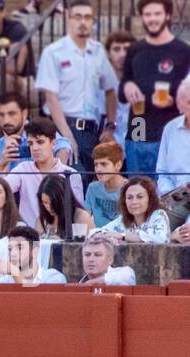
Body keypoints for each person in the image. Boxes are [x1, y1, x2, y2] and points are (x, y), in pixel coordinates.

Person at [35, 0, 118, 175]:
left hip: (93, 131)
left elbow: (111, 89)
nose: (83, 22)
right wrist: (67, 137)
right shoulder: (53, 52)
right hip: (64, 126)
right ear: (68, 19)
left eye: (88, 17)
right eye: (78, 17)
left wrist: (111, 126)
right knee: (70, 181)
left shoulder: (98, 51)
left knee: (90, 181)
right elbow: (51, 98)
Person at [118, 0, 190, 175]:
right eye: (148, 14)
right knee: (137, 190)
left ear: (167, 16)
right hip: (138, 128)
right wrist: (127, 86)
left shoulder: (183, 50)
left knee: (168, 194)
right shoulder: (135, 49)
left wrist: (174, 101)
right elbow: (122, 90)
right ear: (142, 17)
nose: (152, 19)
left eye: (157, 14)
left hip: (169, 132)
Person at [5, 119, 85, 229]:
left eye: (40, 142)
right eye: (30, 143)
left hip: (61, 236)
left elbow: (76, 212)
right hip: (28, 237)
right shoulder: (23, 168)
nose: (35, 148)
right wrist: (1, 165)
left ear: (53, 143)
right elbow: (1, 190)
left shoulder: (71, 174)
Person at [0, 90, 70, 174]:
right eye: (1, 115)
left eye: (12, 114)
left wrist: (55, 174)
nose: (6, 120)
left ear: (24, 113)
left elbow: (63, 145)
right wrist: (3, 164)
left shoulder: (39, 129)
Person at [90, 175, 170, 243]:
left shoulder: (158, 215)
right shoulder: (122, 219)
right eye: (130, 197)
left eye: (140, 197)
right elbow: (95, 232)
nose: (134, 202)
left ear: (150, 199)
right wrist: (107, 238)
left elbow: (160, 238)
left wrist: (122, 236)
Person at [155, 79, 190, 229]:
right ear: (179, 106)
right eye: (189, 102)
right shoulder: (170, 129)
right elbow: (162, 172)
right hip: (178, 198)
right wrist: (170, 195)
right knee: (156, 223)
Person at [0, 226, 67, 284]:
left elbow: (35, 301)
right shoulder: (5, 280)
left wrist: (16, 273)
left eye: (19, 247)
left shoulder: (54, 277)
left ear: (35, 251)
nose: (13, 253)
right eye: (10, 249)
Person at [36, 173, 93, 238]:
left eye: (53, 202)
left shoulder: (82, 217)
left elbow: (91, 246)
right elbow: (36, 246)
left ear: (63, 199)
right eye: (45, 202)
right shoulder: (42, 221)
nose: (50, 207)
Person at [104, 30, 134, 151]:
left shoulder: (140, 83)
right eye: (116, 49)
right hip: (106, 147)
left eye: (126, 49)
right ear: (108, 53)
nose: (122, 54)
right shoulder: (100, 84)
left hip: (133, 147)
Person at [85, 140, 125, 227]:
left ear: (118, 165)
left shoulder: (129, 188)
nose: (98, 169)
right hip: (98, 236)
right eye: (96, 165)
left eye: (104, 164)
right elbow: (85, 216)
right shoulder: (92, 188)